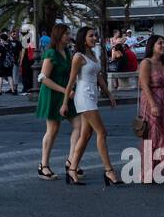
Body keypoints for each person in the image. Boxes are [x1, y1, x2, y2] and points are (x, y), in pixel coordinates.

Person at [63, 26, 121, 186]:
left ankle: (72, 169)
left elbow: (98, 76)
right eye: (91, 36)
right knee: (101, 132)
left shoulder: (93, 55)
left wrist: (109, 93)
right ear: (83, 39)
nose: (95, 38)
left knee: (86, 135)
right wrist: (64, 103)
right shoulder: (78, 57)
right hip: (83, 96)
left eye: (95, 36)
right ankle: (109, 171)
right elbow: (71, 81)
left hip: (91, 95)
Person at [137, 34, 164, 183]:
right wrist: (153, 104)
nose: (163, 46)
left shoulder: (163, 63)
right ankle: (149, 172)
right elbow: (143, 85)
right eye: (160, 43)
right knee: (153, 137)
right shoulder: (146, 63)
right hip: (152, 102)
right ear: (152, 46)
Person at [35, 24, 74, 180]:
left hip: (66, 94)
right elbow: (43, 78)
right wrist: (65, 90)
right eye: (66, 33)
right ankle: (43, 165)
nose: (69, 36)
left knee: (79, 126)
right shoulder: (51, 53)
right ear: (58, 35)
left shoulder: (67, 52)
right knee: (52, 130)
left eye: (69, 33)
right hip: (53, 94)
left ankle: (72, 161)